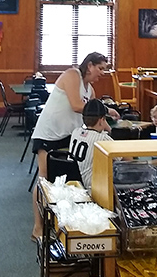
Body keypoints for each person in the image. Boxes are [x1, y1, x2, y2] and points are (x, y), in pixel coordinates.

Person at [31, 52, 118, 238]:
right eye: (100, 68)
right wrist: (108, 110)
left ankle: (63, 223)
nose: (102, 73)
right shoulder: (72, 75)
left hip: (67, 135)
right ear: (89, 66)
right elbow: (76, 105)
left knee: (68, 180)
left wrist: (108, 128)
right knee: (44, 179)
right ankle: (37, 227)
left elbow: (92, 117)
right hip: (49, 133)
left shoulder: (91, 90)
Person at [68, 98, 113, 191]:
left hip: (72, 185)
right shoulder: (103, 139)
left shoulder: (75, 132)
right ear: (102, 120)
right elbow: (125, 158)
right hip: (90, 189)